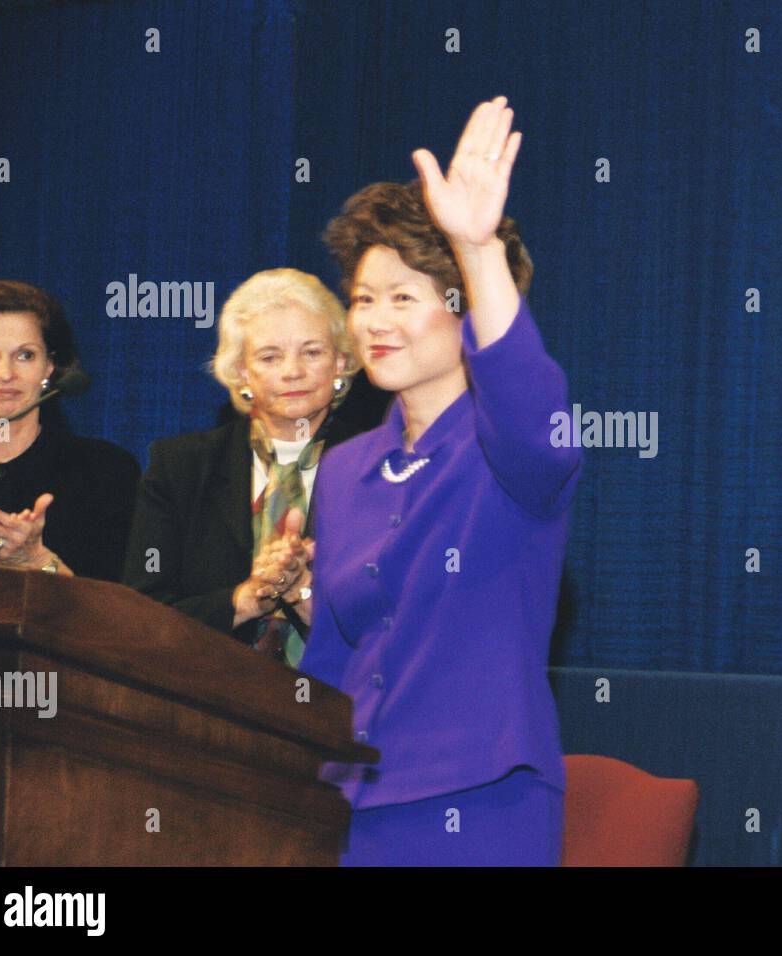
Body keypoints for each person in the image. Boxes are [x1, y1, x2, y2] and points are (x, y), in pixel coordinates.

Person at [300, 96, 582, 866]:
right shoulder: (346, 468)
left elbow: (530, 401)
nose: (373, 321)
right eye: (362, 300)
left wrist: (478, 249)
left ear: (464, 314)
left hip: (485, 800)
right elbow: (328, 657)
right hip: (349, 806)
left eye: (402, 297)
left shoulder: (510, 451)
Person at [122, 268, 363, 664]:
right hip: (210, 703)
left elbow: (402, 630)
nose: (293, 371)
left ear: (340, 363)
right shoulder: (181, 466)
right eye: (270, 356)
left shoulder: (382, 464)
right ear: (241, 373)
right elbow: (141, 616)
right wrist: (248, 598)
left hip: (346, 707)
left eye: (312, 352)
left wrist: (302, 592)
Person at [0, 279, 139, 580]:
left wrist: (39, 561)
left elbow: (125, 611)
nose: (6, 374)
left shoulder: (106, 471)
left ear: (49, 368)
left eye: (25, 355)